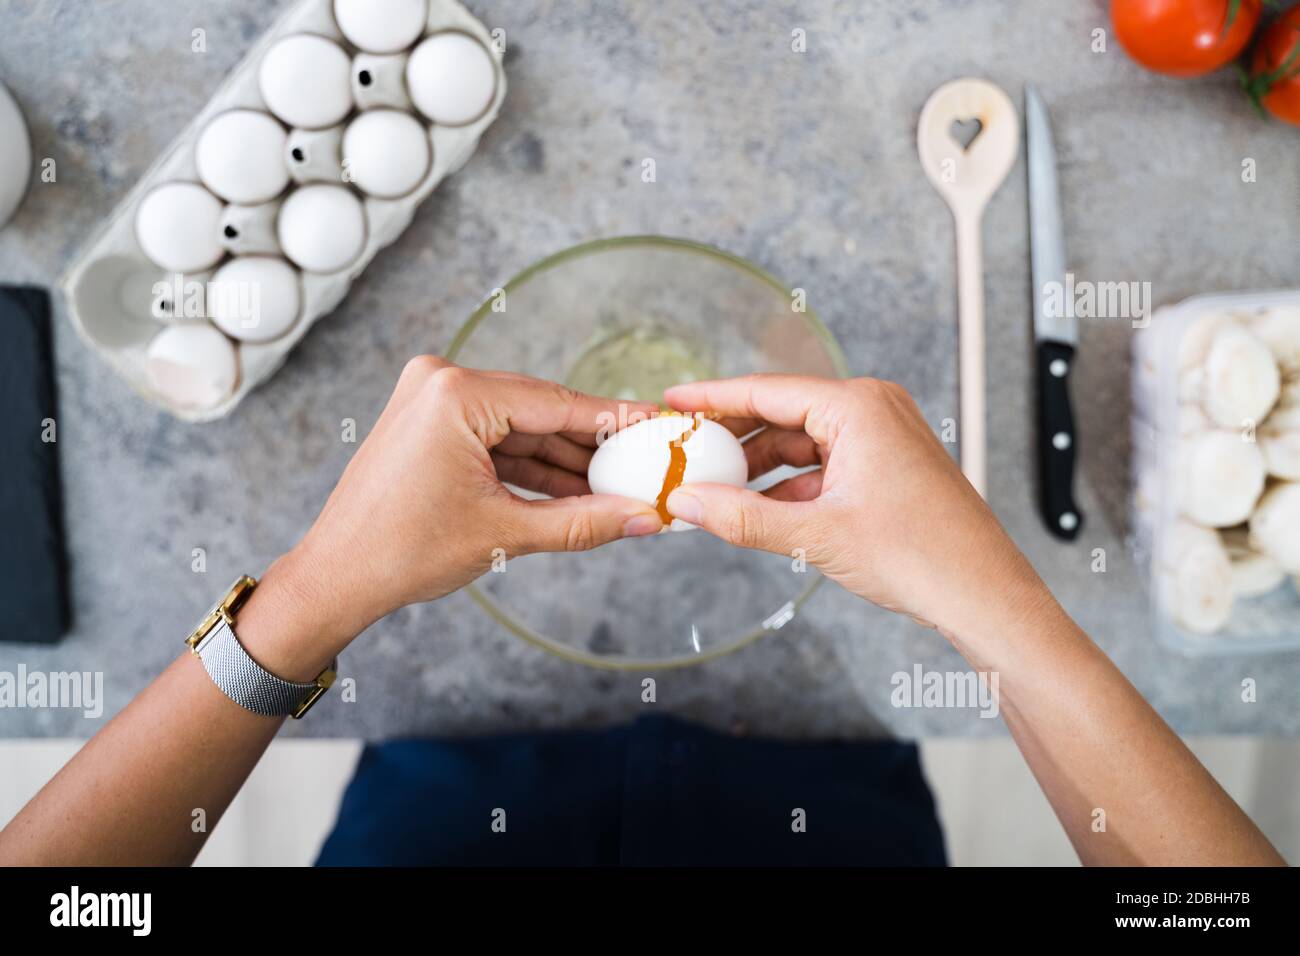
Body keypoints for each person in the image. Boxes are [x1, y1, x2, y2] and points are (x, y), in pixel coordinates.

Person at [0, 359, 1284, 866]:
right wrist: (1002, 617)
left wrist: (313, 597)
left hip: (446, 840)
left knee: (439, 790)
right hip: (824, 842)